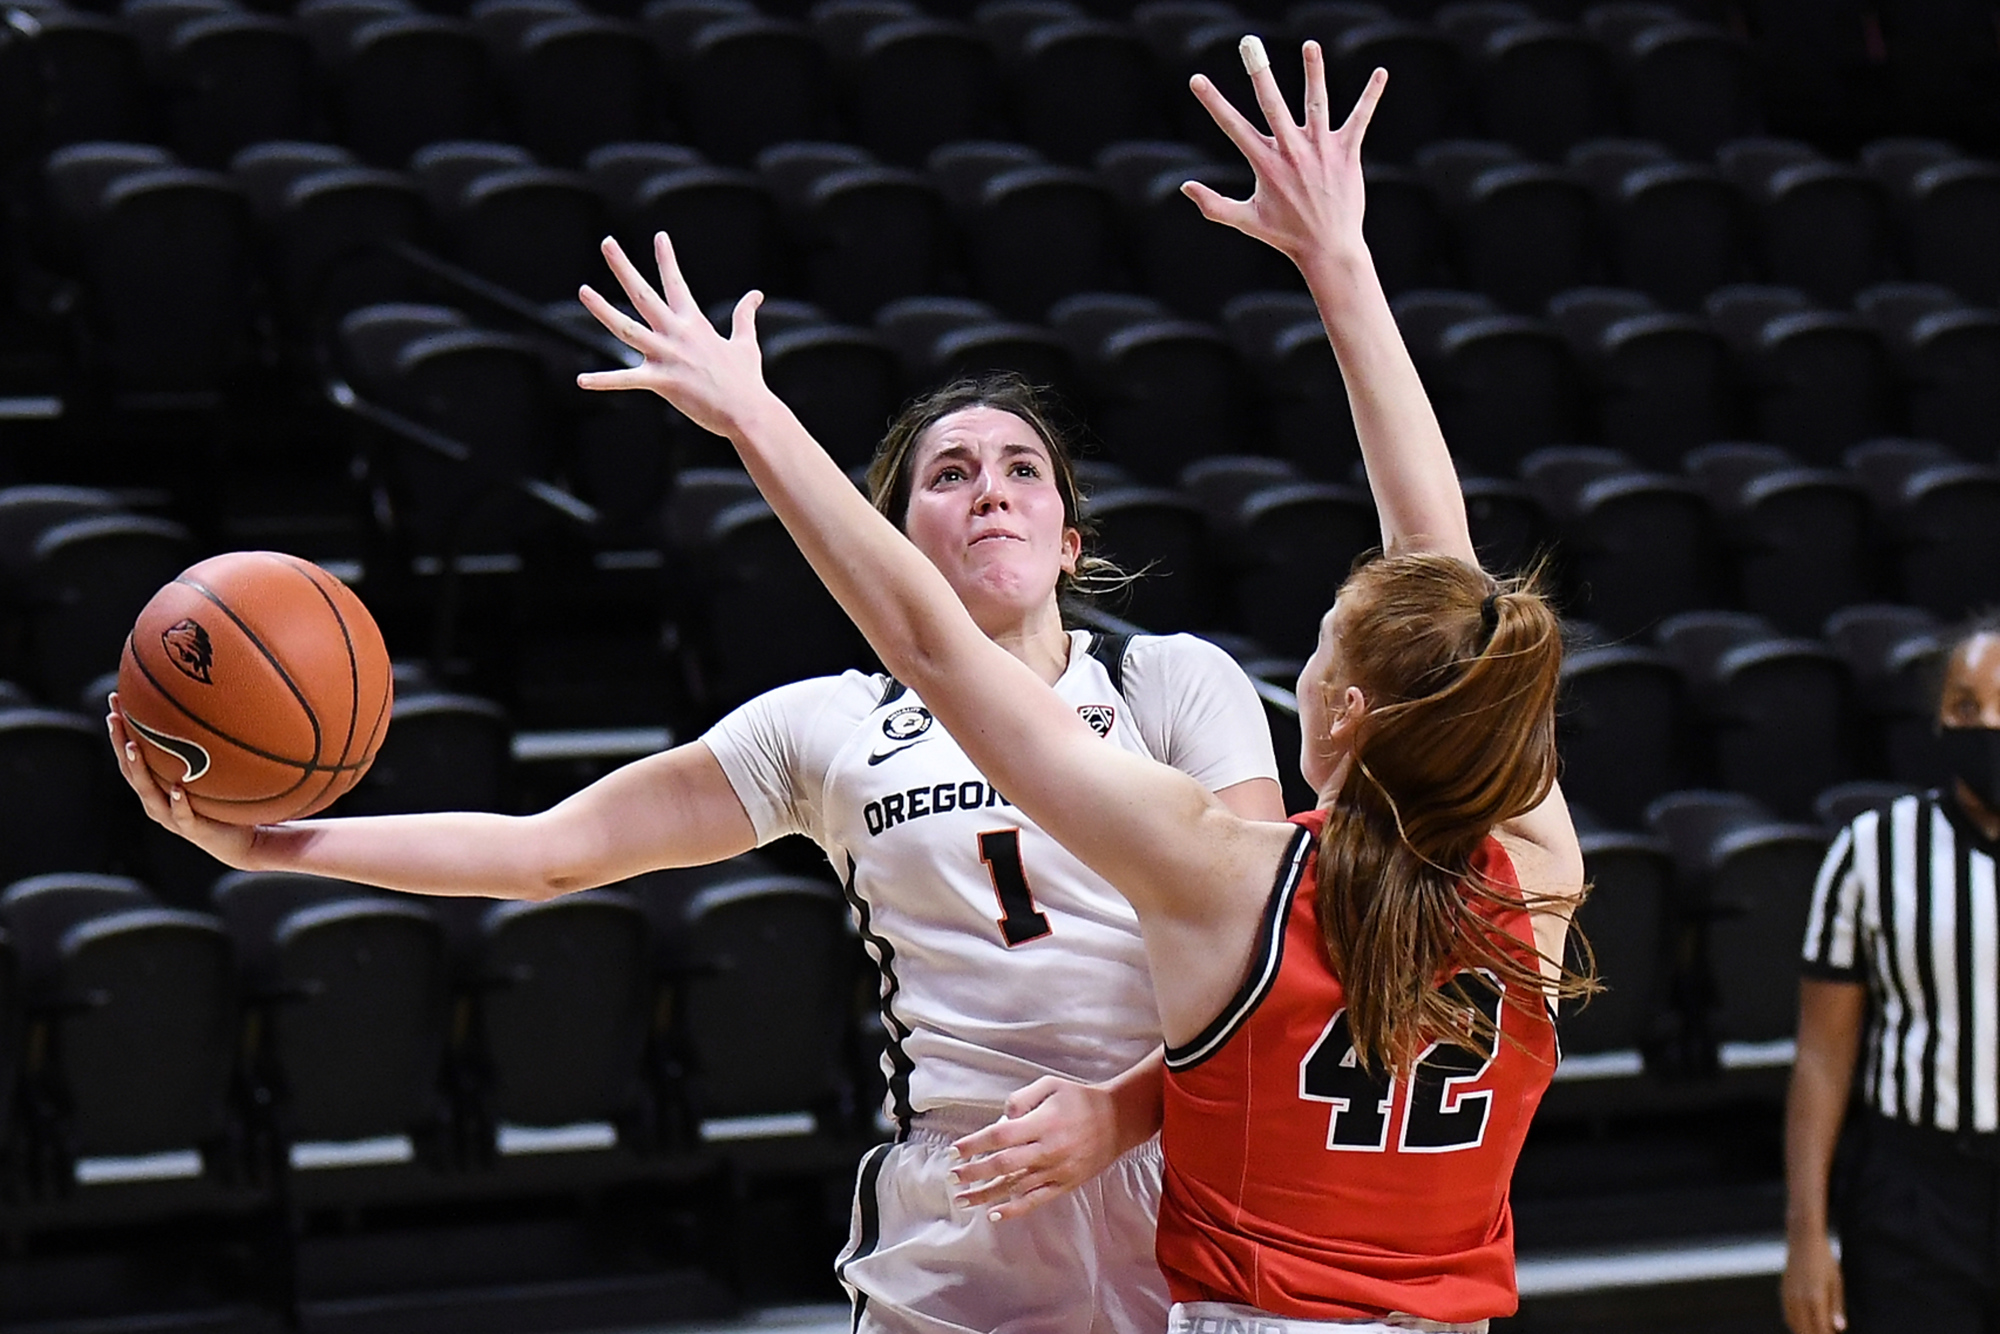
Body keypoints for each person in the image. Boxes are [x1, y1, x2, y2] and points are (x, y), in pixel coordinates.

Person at [573, 37, 1591, 1331]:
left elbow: (932, 649)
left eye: (1325, 643)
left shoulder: (1235, 874)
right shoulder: (1537, 875)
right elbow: (1443, 583)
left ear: (1340, 711)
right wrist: (1341, 258)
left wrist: (756, 421)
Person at [110, 392, 1282, 1332]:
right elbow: (545, 854)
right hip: (961, 1184)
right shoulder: (824, 725)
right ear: (888, 544)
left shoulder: (1166, 681)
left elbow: (1268, 963)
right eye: (950, 472)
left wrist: (1121, 1114)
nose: (990, 491)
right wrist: (267, 843)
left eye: (1021, 468)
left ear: (1069, 540)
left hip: (1181, 1146)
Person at [1784, 615, 2000, 1334]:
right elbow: (1821, 1056)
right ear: (1940, 719)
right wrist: (1806, 1235)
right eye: (1967, 706)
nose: (1987, 723)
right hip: (1916, 1190)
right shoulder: (1873, 850)